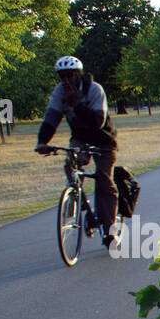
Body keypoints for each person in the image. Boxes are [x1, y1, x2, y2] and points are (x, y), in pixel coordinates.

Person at [35, 55, 120, 247]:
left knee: (103, 180)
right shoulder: (60, 92)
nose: (65, 80)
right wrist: (42, 142)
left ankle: (109, 230)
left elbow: (98, 121)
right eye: (61, 76)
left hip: (104, 140)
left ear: (78, 74)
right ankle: (78, 198)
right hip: (80, 138)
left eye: (70, 75)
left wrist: (77, 104)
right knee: (71, 166)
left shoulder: (95, 89)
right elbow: (51, 118)